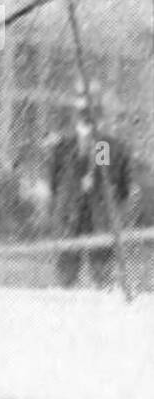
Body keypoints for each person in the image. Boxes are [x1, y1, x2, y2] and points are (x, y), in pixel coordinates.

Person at [47, 92, 132, 288]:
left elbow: (120, 185)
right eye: (83, 113)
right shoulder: (63, 147)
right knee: (68, 270)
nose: (85, 118)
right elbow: (55, 184)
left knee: (100, 270)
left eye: (89, 113)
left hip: (97, 214)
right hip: (72, 215)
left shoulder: (108, 146)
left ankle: (100, 290)